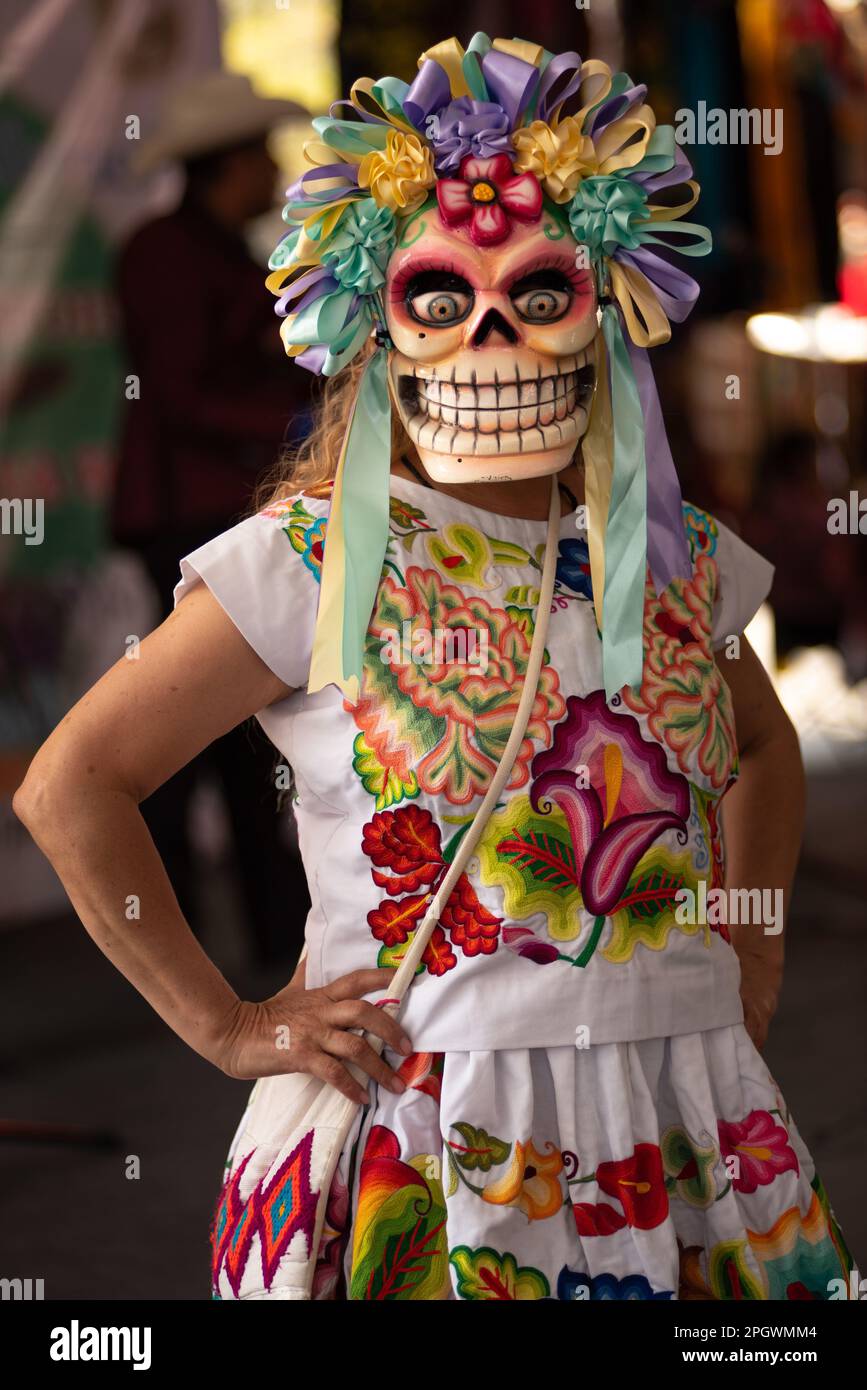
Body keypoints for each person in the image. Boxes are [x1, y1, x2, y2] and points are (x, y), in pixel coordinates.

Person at [16, 35, 852, 1301]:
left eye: (540, 290)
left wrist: (756, 944)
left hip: (680, 1126)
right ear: (378, 324)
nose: (491, 335)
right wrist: (230, 1024)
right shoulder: (310, 560)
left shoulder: (673, 557)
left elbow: (769, 746)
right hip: (430, 1140)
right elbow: (72, 783)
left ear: (607, 312)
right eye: (441, 298)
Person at [110, 72, 312, 964]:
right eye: (259, 157)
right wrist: (296, 419)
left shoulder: (226, 249)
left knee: (239, 729)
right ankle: (154, 933)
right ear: (226, 164)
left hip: (224, 508)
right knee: (187, 730)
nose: (272, 171)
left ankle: (269, 935)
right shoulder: (163, 253)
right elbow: (180, 394)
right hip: (184, 513)